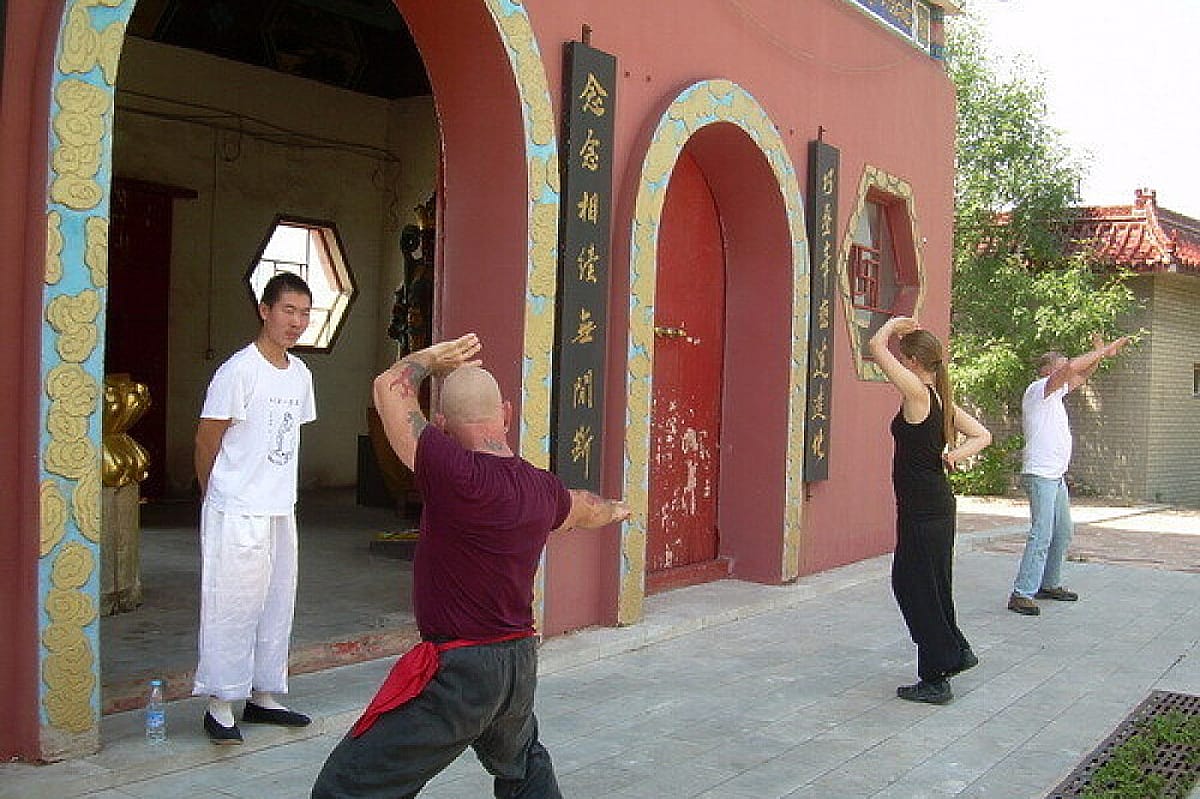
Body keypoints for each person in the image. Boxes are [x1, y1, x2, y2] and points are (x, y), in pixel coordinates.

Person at [312, 333, 631, 799]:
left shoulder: (452, 471)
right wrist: (616, 509)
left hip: (462, 670)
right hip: (518, 663)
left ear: (440, 424)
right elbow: (583, 506)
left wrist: (428, 359)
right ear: (505, 413)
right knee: (523, 770)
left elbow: (388, 387)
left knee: (347, 786)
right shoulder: (541, 489)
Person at [193, 272, 318, 744]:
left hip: (278, 508)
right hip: (236, 506)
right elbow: (208, 438)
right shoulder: (237, 370)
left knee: (275, 601)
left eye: (305, 313)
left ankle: (264, 695)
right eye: (288, 310)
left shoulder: (301, 375)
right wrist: (214, 494)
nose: (297, 321)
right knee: (232, 603)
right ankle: (220, 703)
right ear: (265, 310)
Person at [868, 316, 992, 705]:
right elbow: (983, 436)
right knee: (930, 587)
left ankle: (936, 677)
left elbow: (874, 349)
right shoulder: (940, 396)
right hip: (932, 507)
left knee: (914, 588)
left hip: (924, 511)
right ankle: (955, 650)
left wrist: (891, 328)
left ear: (915, 362)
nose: (902, 366)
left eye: (905, 360)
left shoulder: (919, 394)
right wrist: (954, 454)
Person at [1007, 334, 1129, 616]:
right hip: (1040, 474)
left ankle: (1048, 583)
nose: (1067, 370)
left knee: (1062, 532)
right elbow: (1073, 368)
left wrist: (1100, 354)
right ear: (1047, 370)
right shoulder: (1038, 389)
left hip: (1055, 475)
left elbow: (1080, 375)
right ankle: (1021, 593)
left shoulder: (1056, 394)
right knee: (1042, 533)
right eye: (1060, 366)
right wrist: (1104, 350)